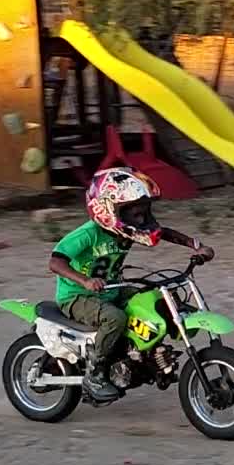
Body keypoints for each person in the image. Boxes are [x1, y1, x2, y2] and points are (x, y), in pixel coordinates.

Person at [47, 167, 213, 400]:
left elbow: (162, 232)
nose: (141, 218)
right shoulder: (88, 234)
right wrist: (85, 281)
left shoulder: (127, 232)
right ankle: (94, 375)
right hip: (77, 296)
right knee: (115, 318)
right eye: (133, 213)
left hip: (111, 289)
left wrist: (196, 245)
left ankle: (147, 356)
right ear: (106, 209)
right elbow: (55, 262)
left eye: (143, 211)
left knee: (154, 298)